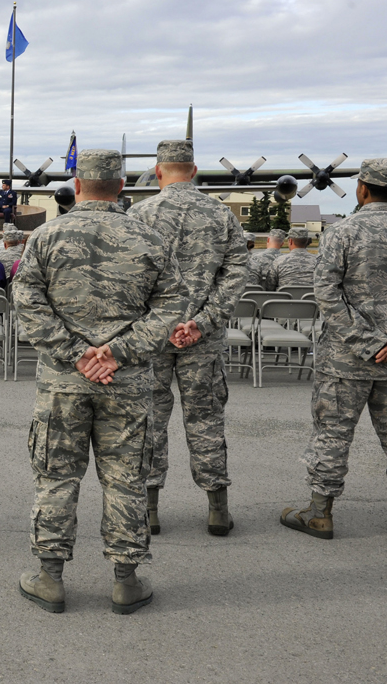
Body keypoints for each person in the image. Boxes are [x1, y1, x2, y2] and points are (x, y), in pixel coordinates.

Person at [13, 148, 186, 615]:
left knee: (56, 477)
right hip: (126, 383)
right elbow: (172, 305)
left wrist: (77, 354)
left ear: (77, 184)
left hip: (63, 383)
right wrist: (117, 353)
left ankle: (50, 578)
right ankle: (126, 582)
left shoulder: (46, 236)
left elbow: (27, 300)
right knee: (127, 480)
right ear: (122, 185)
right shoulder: (149, 238)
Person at [281, 159, 387, 544]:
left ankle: (320, 513)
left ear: (362, 188)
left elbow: (327, 294)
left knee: (332, 432)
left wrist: (367, 342)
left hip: (346, 361)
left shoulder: (342, 232)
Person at [128, 140, 248, 537]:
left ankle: (149, 510)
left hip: (152, 336)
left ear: (158, 171)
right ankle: (217, 510)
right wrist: (202, 321)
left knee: (148, 419)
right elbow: (236, 272)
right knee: (206, 419)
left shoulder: (139, 213)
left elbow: (129, 278)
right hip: (202, 338)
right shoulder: (221, 214)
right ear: (194, 170)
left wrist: (156, 323)